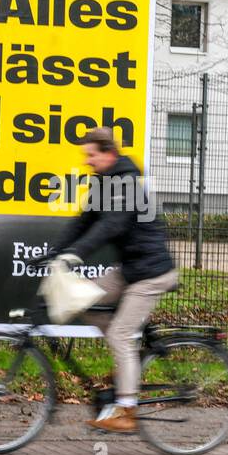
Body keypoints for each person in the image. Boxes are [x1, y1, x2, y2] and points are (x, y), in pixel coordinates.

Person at [47, 127, 179, 433]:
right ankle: (127, 366)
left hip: (151, 273)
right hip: (131, 268)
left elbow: (111, 226)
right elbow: (84, 220)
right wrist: (55, 252)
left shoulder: (128, 184)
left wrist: (75, 254)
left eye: (91, 155)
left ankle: (126, 410)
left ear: (109, 153)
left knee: (120, 334)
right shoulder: (104, 182)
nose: (87, 161)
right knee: (87, 302)